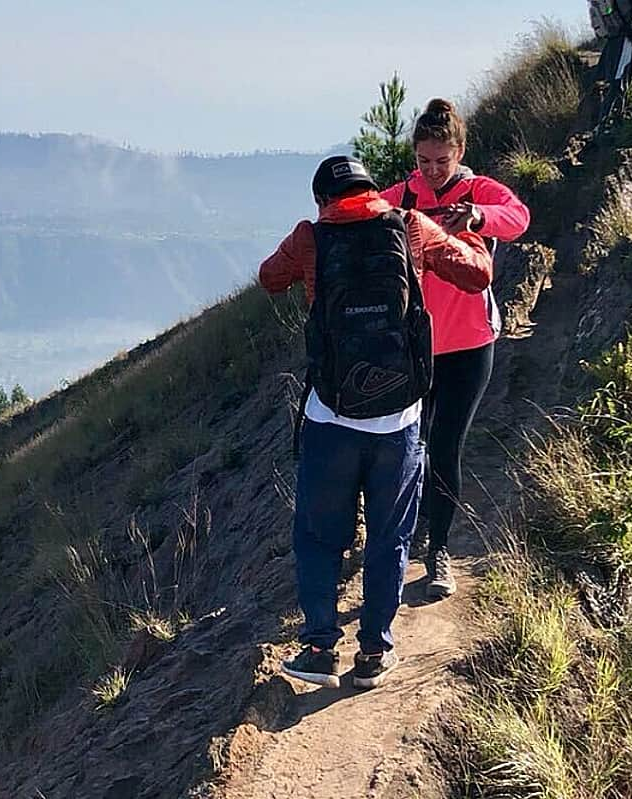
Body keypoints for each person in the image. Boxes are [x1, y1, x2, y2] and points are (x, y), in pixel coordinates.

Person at [260, 155, 493, 689]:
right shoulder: (410, 225)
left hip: (331, 416)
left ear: (323, 200)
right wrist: (470, 231)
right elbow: (477, 275)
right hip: (400, 420)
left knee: (319, 536)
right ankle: (373, 653)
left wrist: (308, 260)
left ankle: (320, 649)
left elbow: (269, 278)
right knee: (390, 537)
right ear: (373, 191)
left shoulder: (311, 236)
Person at [379, 99, 530, 600]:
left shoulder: (476, 188)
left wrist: (479, 217)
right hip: (416, 344)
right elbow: (365, 215)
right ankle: (402, 538)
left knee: (444, 446)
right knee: (408, 447)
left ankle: (437, 551)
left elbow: (518, 217)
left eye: (441, 160)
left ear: (459, 151)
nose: (432, 170)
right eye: (424, 161)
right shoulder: (402, 196)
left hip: (470, 344)